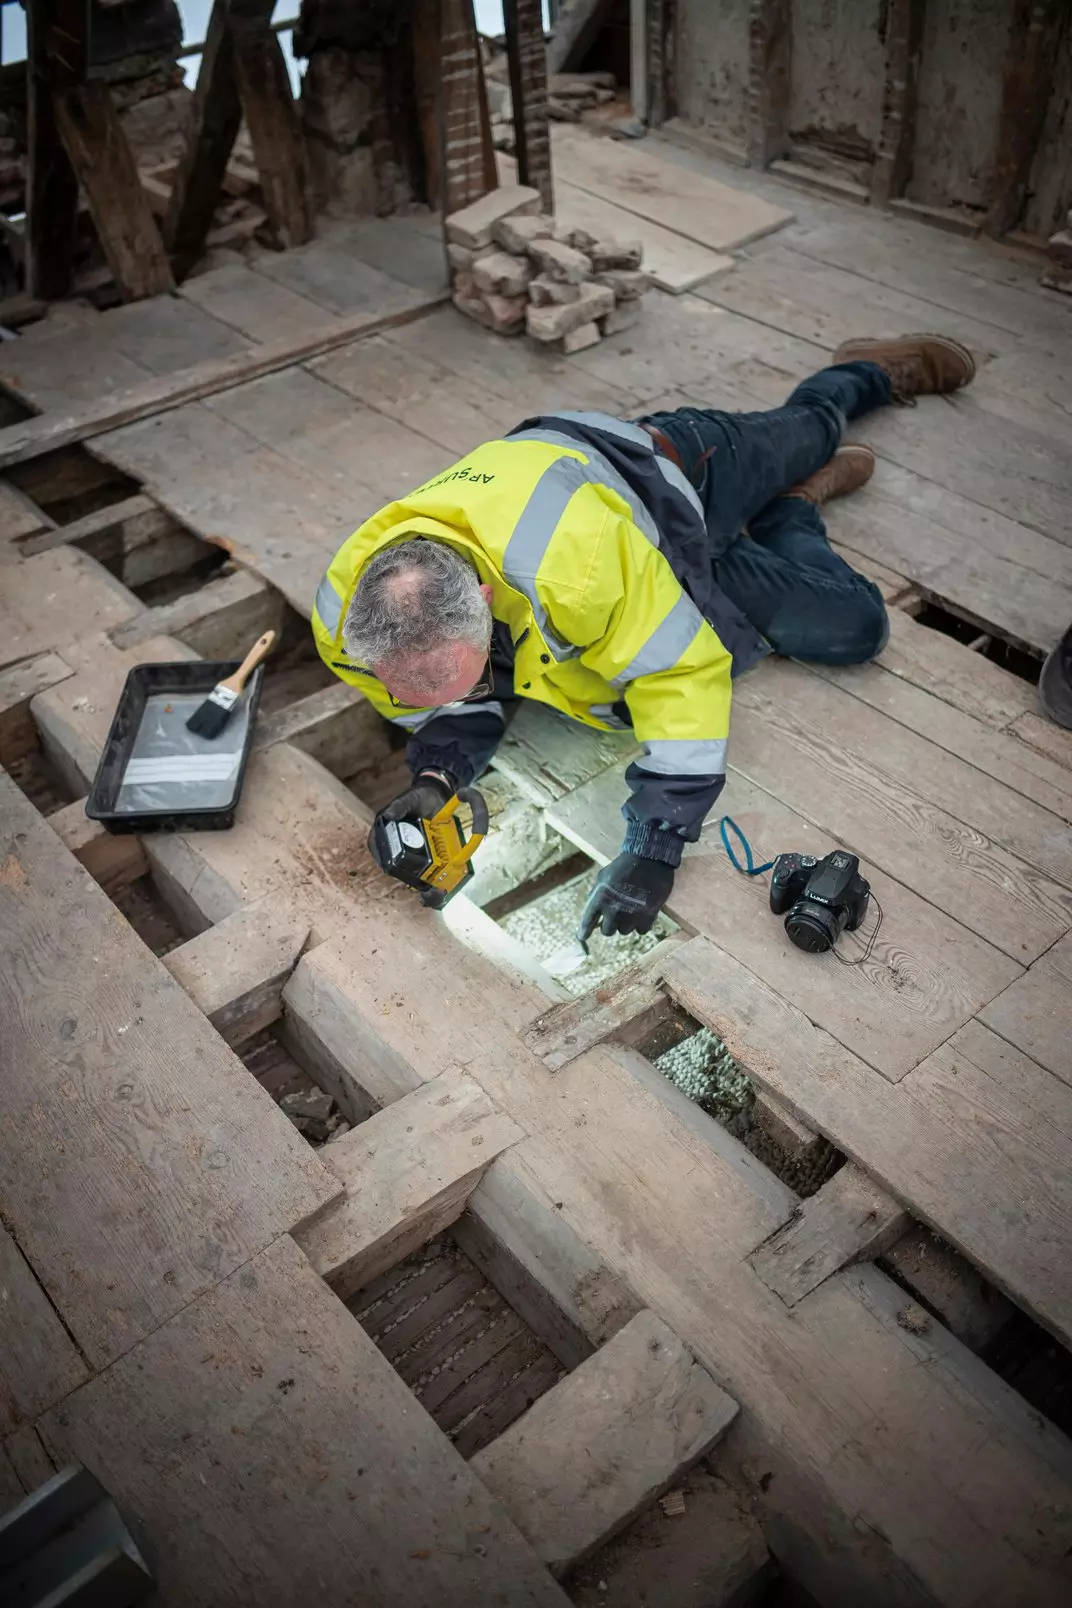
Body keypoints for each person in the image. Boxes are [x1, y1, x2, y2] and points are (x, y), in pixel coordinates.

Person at [312, 334, 975, 940]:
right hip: (661, 574)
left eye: (471, 670)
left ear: (484, 603)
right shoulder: (347, 625)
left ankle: (862, 375)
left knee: (814, 429)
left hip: (677, 474)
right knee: (859, 624)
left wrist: (655, 846)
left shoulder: (574, 565)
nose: (472, 689)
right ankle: (795, 516)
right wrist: (436, 773)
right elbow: (450, 699)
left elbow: (680, 674)